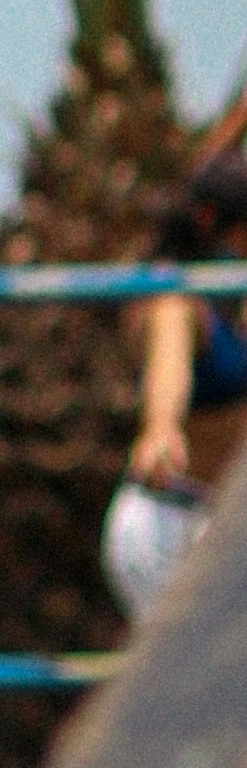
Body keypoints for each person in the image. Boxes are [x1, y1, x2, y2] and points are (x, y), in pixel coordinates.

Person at [113, 89, 247, 623]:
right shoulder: (176, 302)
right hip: (169, 524)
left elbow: (207, 173)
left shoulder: (226, 302)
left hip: (214, 520)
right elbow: (168, 362)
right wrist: (162, 428)